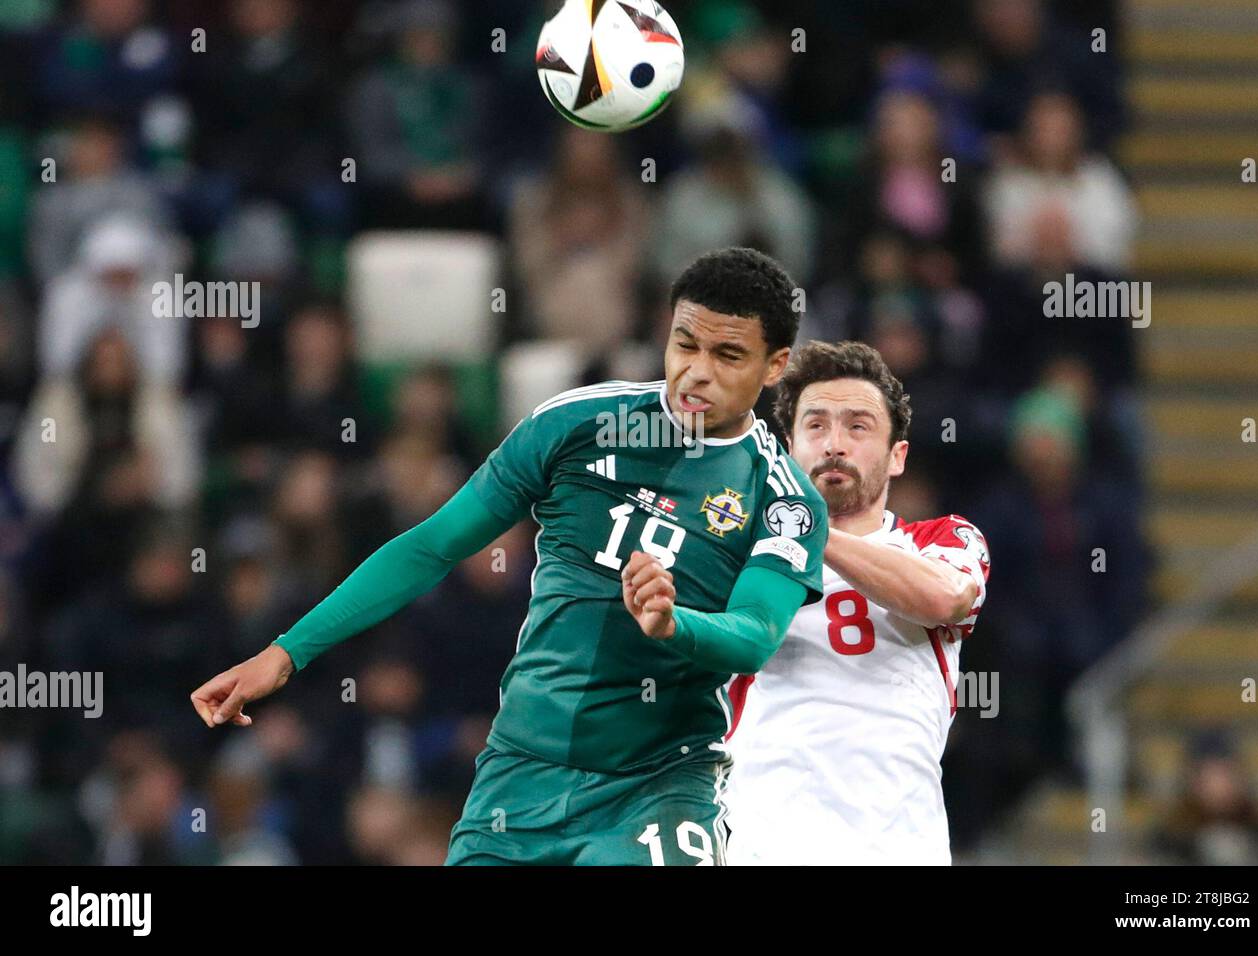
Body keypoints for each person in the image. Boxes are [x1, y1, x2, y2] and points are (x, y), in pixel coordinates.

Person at [191, 247, 828, 865]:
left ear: (775, 367)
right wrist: (286, 652)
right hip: (522, 771)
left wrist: (673, 623)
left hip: (658, 782)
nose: (696, 371)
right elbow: (433, 545)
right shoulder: (576, 425)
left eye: (728, 355)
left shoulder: (783, 498)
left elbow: (754, 636)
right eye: (685, 344)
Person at [723, 340, 990, 864]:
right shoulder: (734, 551)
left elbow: (944, 599)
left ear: (898, 456)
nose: (834, 444)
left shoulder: (942, 539)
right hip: (756, 845)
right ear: (787, 448)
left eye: (858, 426)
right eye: (816, 425)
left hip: (895, 848)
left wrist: (810, 531)